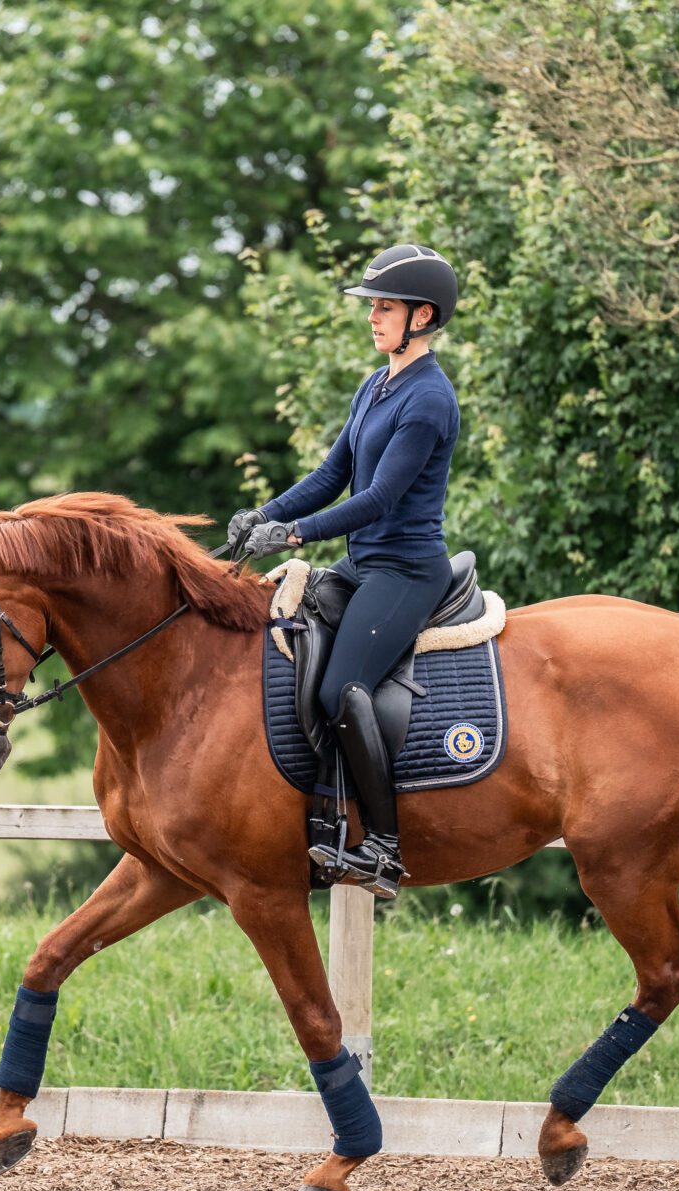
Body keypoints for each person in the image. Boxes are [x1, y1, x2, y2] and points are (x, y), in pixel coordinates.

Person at [227, 243, 462, 897]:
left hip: (407, 573)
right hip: (360, 566)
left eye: (384, 308)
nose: (373, 318)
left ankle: (383, 848)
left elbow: (379, 498)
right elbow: (334, 475)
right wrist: (262, 515)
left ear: (422, 315)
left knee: (339, 691)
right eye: (372, 308)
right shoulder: (376, 384)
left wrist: (294, 532)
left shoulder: (429, 400)